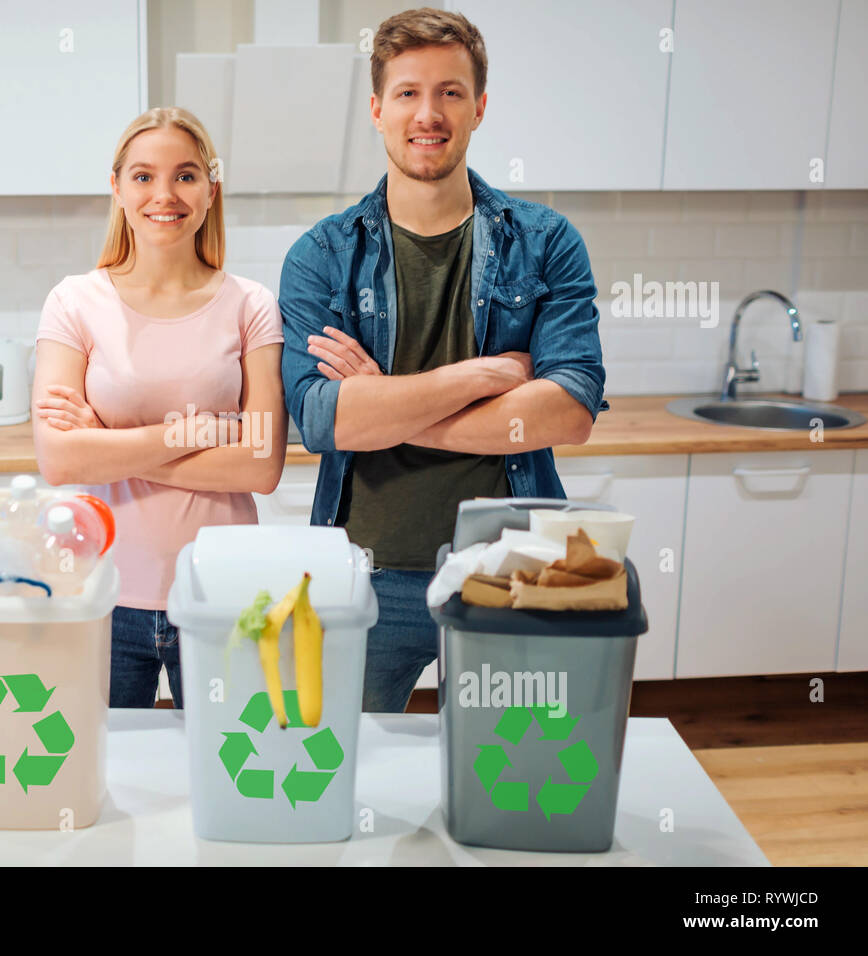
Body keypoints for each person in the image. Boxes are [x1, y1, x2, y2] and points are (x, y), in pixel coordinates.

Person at [278, 8, 608, 713]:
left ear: (480, 107)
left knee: (508, 777)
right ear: (377, 109)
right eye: (407, 93)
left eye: (450, 92)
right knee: (351, 774)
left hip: (509, 564)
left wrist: (386, 405)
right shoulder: (322, 256)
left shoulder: (546, 242)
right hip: (363, 573)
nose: (428, 114)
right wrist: (478, 378)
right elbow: (320, 420)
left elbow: (570, 408)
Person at [33, 107, 288, 710]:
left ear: (210, 189)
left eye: (186, 175)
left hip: (221, 593)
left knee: (225, 776)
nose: (164, 194)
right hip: (102, 591)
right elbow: (61, 459)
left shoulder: (251, 305)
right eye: (143, 176)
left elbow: (261, 466)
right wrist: (198, 432)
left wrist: (111, 447)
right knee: (110, 777)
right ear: (117, 187)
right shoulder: (73, 302)